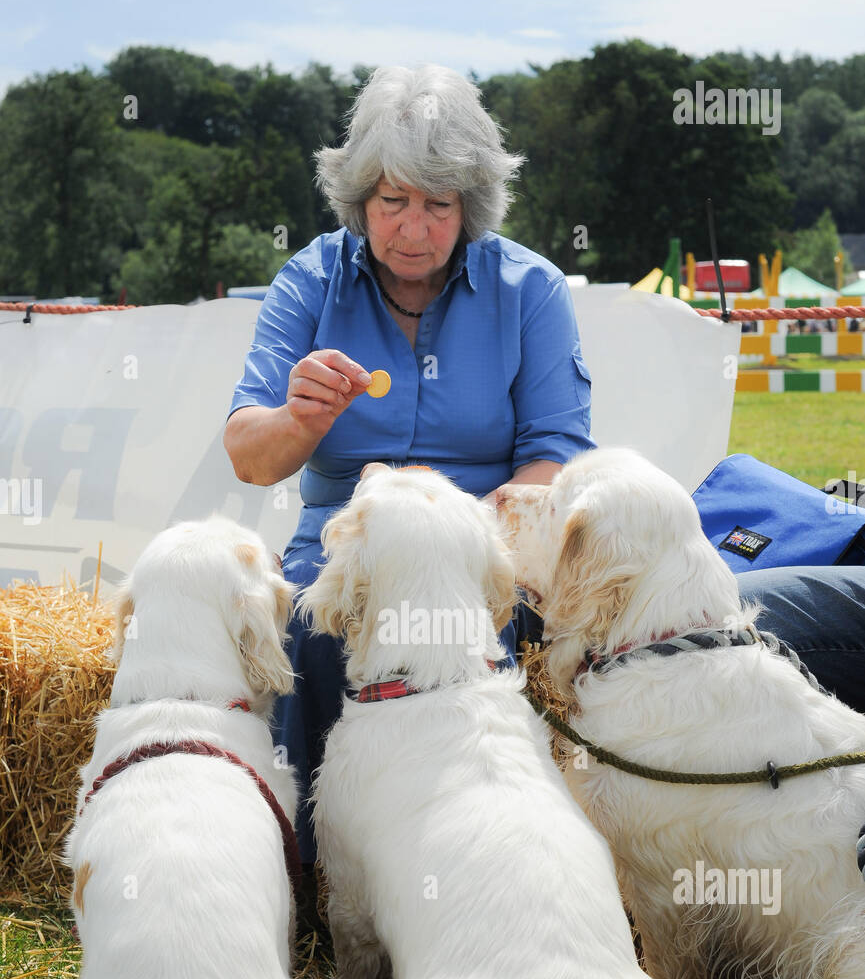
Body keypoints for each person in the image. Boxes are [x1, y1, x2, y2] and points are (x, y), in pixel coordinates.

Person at [225, 63, 865, 868]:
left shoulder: (528, 287)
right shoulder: (311, 279)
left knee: (491, 632)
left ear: (472, 207)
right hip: (345, 547)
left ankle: (486, 862)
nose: (413, 228)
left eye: (437, 205)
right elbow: (250, 456)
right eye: (393, 202)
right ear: (359, 199)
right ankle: (324, 868)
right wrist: (296, 418)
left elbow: (554, 458)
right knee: (317, 632)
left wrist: (463, 546)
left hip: (488, 547)